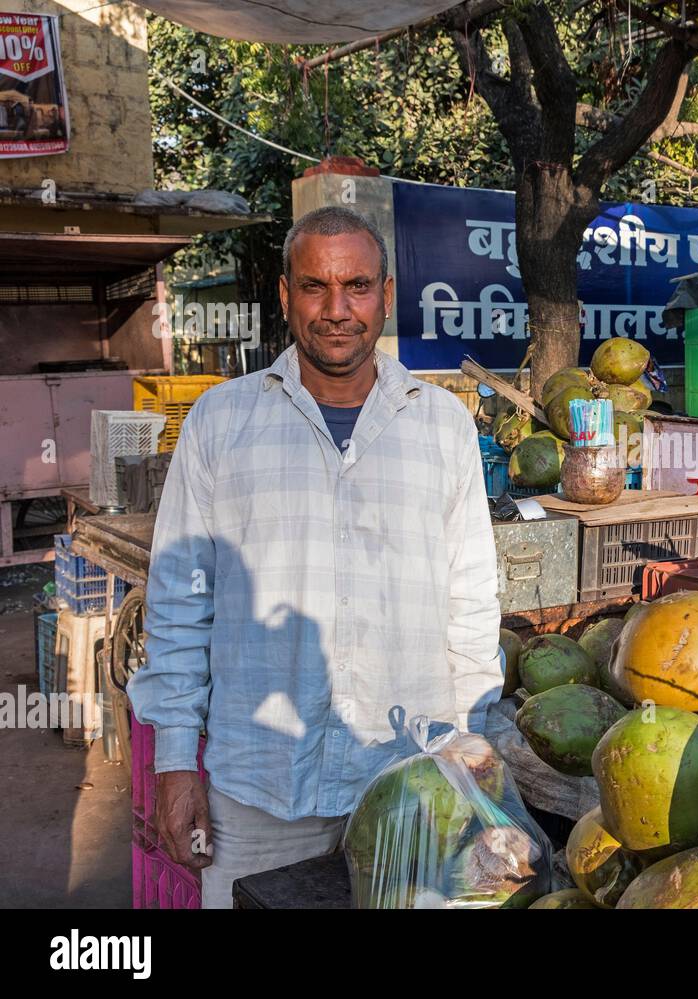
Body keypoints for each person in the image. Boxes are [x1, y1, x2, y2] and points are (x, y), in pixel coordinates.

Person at [128, 206, 504, 908]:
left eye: (357, 285)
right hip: (261, 790)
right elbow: (179, 604)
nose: (337, 309)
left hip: (411, 782)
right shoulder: (221, 422)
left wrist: (470, 749)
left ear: (386, 296)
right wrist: (177, 764)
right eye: (315, 286)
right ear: (284, 295)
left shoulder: (442, 425)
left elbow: (470, 603)